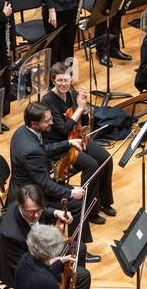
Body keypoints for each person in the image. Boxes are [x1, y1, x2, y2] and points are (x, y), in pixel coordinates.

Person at [0, 183, 92, 289]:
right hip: (22, 268)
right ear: (20, 206)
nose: (36, 215)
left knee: (80, 249)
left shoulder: (30, 207)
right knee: (82, 276)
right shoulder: (11, 235)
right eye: (31, 212)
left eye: (38, 210)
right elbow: (24, 269)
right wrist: (55, 261)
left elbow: (39, 209)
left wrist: (56, 212)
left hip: (38, 250)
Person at [11, 103, 93, 246]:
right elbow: (45, 185)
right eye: (47, 121)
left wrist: (68, 143)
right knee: (77, 204)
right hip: (29, 195)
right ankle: (78, 247)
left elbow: (44, 149)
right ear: (35, 123)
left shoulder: (23, 131)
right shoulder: (30, 150)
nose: (52, 122)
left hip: (30, 184)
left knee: (74, 195)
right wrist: (71, 193)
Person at [42, 62, 115, 220]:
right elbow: (63, 129)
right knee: (91, 165)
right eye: (60, 80)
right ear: (53, 81)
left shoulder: (71, 93)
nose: (64, 84)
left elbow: (84, 122)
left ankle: (104, 201)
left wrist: (85, 109)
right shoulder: (48, 100)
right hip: (61, 145)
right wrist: (80, 108)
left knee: (106, 158)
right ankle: (89, 210)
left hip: (77, 137)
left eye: (66, 80)